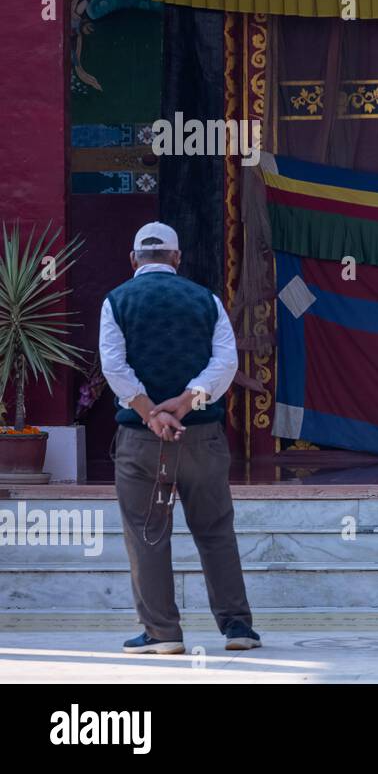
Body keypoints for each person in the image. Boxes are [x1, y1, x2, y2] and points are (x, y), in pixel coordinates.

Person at [99, 222, 259, 654]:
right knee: (215, 531)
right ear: (177, 258)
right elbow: (225, 365)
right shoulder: (206, 300)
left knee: (148, 533)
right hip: (202, 435)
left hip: (141, 440)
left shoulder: (116, 301)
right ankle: (238, 628)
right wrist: (186, 403)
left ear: (134, 260)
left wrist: (152, 413)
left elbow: (115, 369)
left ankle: (162, 633)